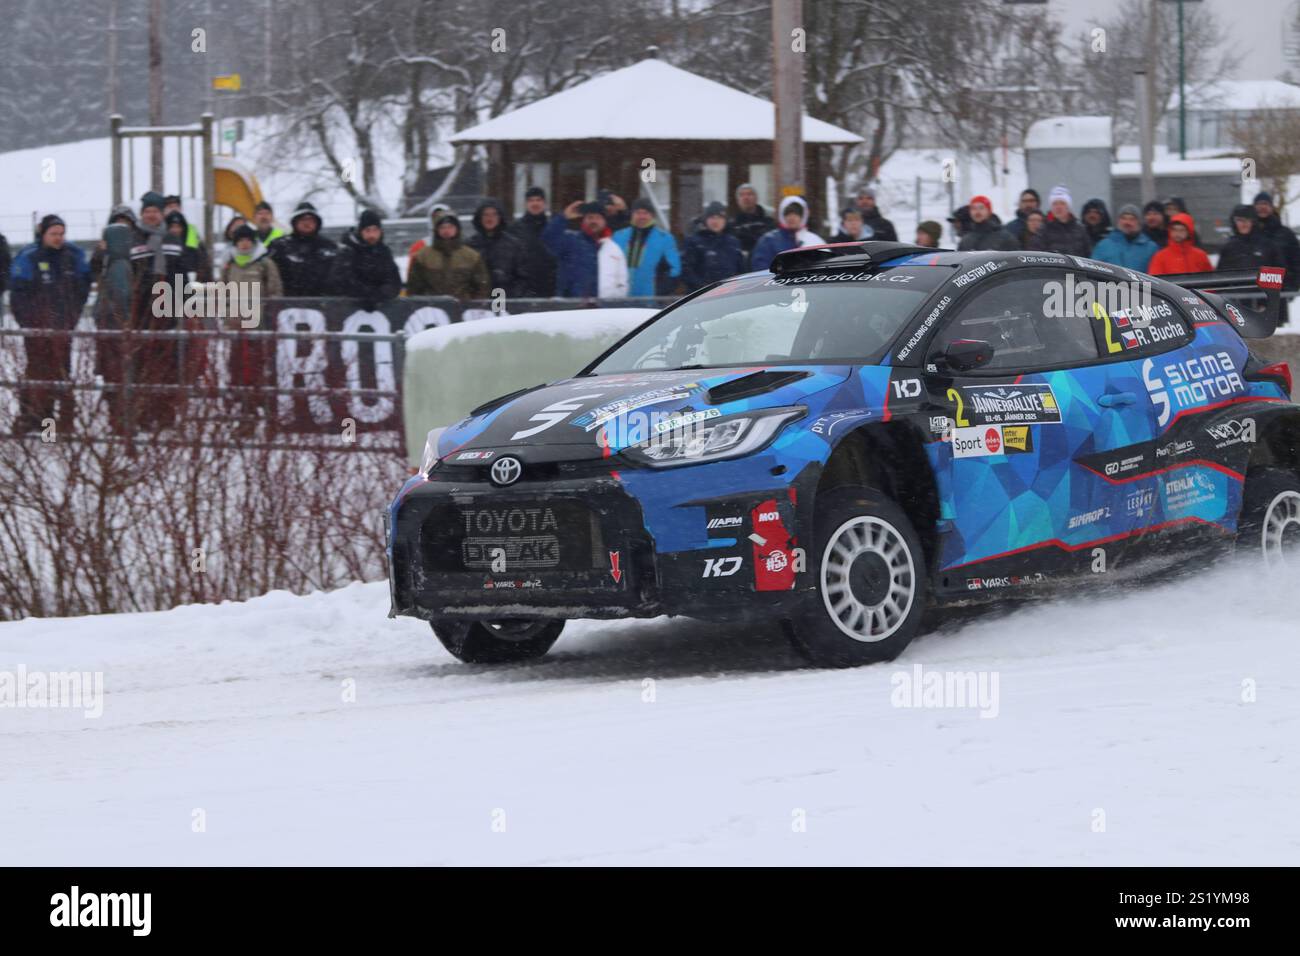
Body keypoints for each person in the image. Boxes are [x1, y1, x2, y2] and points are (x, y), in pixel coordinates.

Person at [7, 215, 90, 433]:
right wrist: (31, 323)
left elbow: (82, 290)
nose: (58, 238)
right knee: (36, 374)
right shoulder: (30, 257)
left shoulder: (72, 257)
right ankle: (32, 419)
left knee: (62, 375)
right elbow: (18, 296)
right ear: (43, 234)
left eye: (61, 233)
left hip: (63, 328)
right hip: (37, 330)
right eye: (53, 233)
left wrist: (71, 318)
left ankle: (60, 425)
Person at [221, 224, 284, 436]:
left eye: (248, 240)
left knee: (259, 373)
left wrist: (269, 317)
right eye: (241, 240)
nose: (245, 244)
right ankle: (245, 416)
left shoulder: (265, 264)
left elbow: (275, 292)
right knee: (238, 372)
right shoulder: (229, 265)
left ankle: (269, 417)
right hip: (237, 328)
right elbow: (223, 292)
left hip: (259, 328)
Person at [542, 200, 628, 298]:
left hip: (604, 309)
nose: (594, 221)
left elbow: (622, 281)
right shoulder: (571, 241)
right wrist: (563, 217)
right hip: (573, 307)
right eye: (590, 217)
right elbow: (548, 239)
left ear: (605, 221)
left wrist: (615, 302)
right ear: (583, 220)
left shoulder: (614, 249)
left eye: (598, 218)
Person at [407, 213, 491, 301]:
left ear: (457, 229)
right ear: (436, 230)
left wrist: (473, 306)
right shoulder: (422, 256)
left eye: (450, 227)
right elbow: (414, 288)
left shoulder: (472, 256)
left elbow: (482, 286)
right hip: (431, 310)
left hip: (464, 309)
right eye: (442, 227)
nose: (446, 230)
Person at [331, 209, 402, 309]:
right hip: (347, 309)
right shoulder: (347, 251)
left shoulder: (384, 252)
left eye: (375, 230)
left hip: (381, 310)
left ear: (380, 232)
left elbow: (394, 281)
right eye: (367, 230)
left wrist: (381, 294)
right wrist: (365, 294)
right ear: (360, 232)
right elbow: (341, 281)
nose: (372, 235)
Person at [267, 201, 338, 297]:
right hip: (286, 302)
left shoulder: (329, 247)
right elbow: (270, 275)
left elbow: (336, 278)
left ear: (317, 223)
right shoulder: (280, 245)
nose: (307, 223)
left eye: (311, 220)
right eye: (302, 219)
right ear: (295, 222)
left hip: (321, 303)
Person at [613, 198, 681, 297]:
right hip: (620, 298)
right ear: (632, 214)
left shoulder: (665, 239)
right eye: (638, 213)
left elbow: (674, 270)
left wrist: (659, 292)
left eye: (645, 213)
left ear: (652, 215)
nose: (641, 216)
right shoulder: (618, 236)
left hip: (651, 300)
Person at [467, 199, 527, 298]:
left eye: (494, 214)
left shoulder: (514, 245)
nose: (490, 218)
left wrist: (512, 297)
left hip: (506, 303)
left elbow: (522, 278)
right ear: (479, 217)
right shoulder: (470, 245)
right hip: (478, 304)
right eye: (485, 214)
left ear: (500, 217)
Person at [750, 196, 825, 271]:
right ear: (782, 216)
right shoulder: (768, 240)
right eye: (787, 213)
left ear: (803, 216)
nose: (792, 217)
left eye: (796, 213)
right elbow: (761, 271)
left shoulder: (814, 240)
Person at [682, 202, 744, 290]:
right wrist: (703, 288)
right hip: (700, 295)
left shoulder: (733, 242)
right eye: (712, 217)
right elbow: (686, 270)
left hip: (730, 293)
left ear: (725, 220)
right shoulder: (693, 242)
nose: (715, 221)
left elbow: (741, 270)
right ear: (705, 219)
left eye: (719, 217)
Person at [510, 187, 557, 297]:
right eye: (531, 200)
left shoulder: (553, 228)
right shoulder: (515, 229)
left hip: (550, 289)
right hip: (523, 290)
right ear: (526, 204)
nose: (535, 203)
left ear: (544, 203)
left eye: (538, 200)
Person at [1253, 191, 1300, 290]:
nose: (1262, 207)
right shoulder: (1248, 234)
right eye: (1259, 204)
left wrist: (1292, 287)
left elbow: (1297, 262)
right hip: (1251, 294)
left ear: (1272, 207)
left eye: (1265, 204)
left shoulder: (1286, 234)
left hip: (1280, 292)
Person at [1217, 204, 1283, 274]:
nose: (1244, 223)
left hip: (1262, 284)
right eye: (1240, 220)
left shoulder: (1268, 246)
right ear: (1234, 222)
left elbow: (1280, 276)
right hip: (1237, 284)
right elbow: (1220, 277)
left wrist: (1257, 280)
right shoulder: (1228, 248)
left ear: (1253, 221)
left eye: (1247, 219)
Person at [1090, 204, 1158, 272]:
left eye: (1132, 219)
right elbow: (1093, 271)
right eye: (1123, 218)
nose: (1127, 222)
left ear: (1139, 222)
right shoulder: (1104, 245)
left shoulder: (1150, 248)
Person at [1028, 185, 1090, 256]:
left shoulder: (1080, 230)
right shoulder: (1043, 231)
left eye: (1062, 203)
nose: (1058, 207)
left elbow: (1088, 256)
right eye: (1055, 204)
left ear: (1068, 206)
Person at [729, 183, 776, 266]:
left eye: (749, 194)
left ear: (756, 198)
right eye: (742, 195)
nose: (746, 197)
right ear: (737, 200)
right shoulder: (732, 226)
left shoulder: (768, 222)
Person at [406, 202, 455, 274]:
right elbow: (412, 276)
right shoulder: (419, 246)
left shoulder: (463, 247)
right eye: (435, 217)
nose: (439, 220)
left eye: (443, 216)